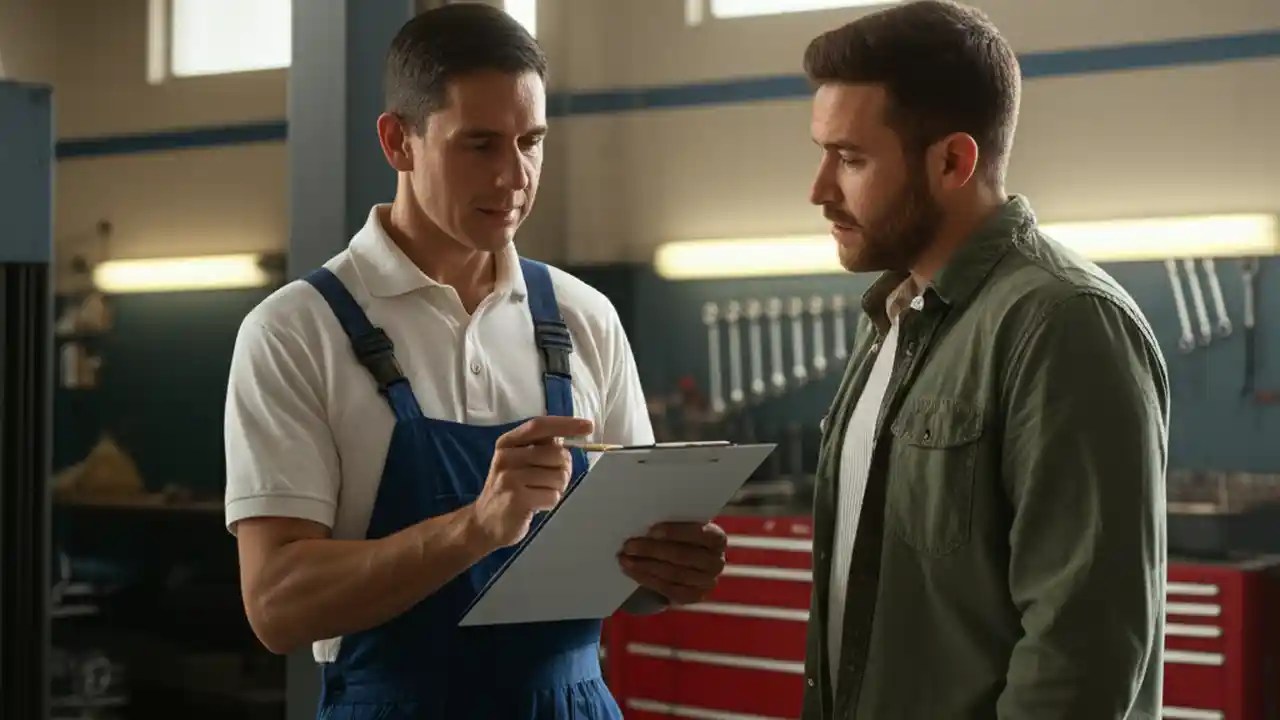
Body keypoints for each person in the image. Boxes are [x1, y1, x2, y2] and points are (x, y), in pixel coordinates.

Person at [223, 5, 728, 718]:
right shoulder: (295, 332)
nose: (514, 175)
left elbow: (624, 567)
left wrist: (667, 571)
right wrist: (478, 527)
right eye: (481, 144)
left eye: (532, 142)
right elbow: (275, 604)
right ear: (399, 141)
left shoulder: (584, 318)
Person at [800, 2, 1169, 718]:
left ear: (952, 161)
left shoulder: (1065, 324)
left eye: (850, 159)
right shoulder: (892, 317)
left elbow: (1082, 650)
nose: (818, 190)